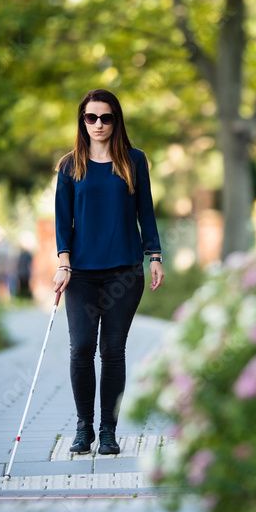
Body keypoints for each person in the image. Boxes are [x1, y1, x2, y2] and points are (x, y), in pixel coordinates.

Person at [53, 88, 164, 456]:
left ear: (116, 121)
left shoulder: (134, 160)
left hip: (124, 272)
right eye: (91, 117)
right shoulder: (69, 166)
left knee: (113, 350)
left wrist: (155, 255)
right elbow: (62, 221)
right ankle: (83, 427)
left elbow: (145, 211)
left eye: (106, 117)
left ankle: (108, 430)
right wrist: (63, 263)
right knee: (82, 347)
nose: (98, 124)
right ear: (82, 121)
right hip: (81, 273)